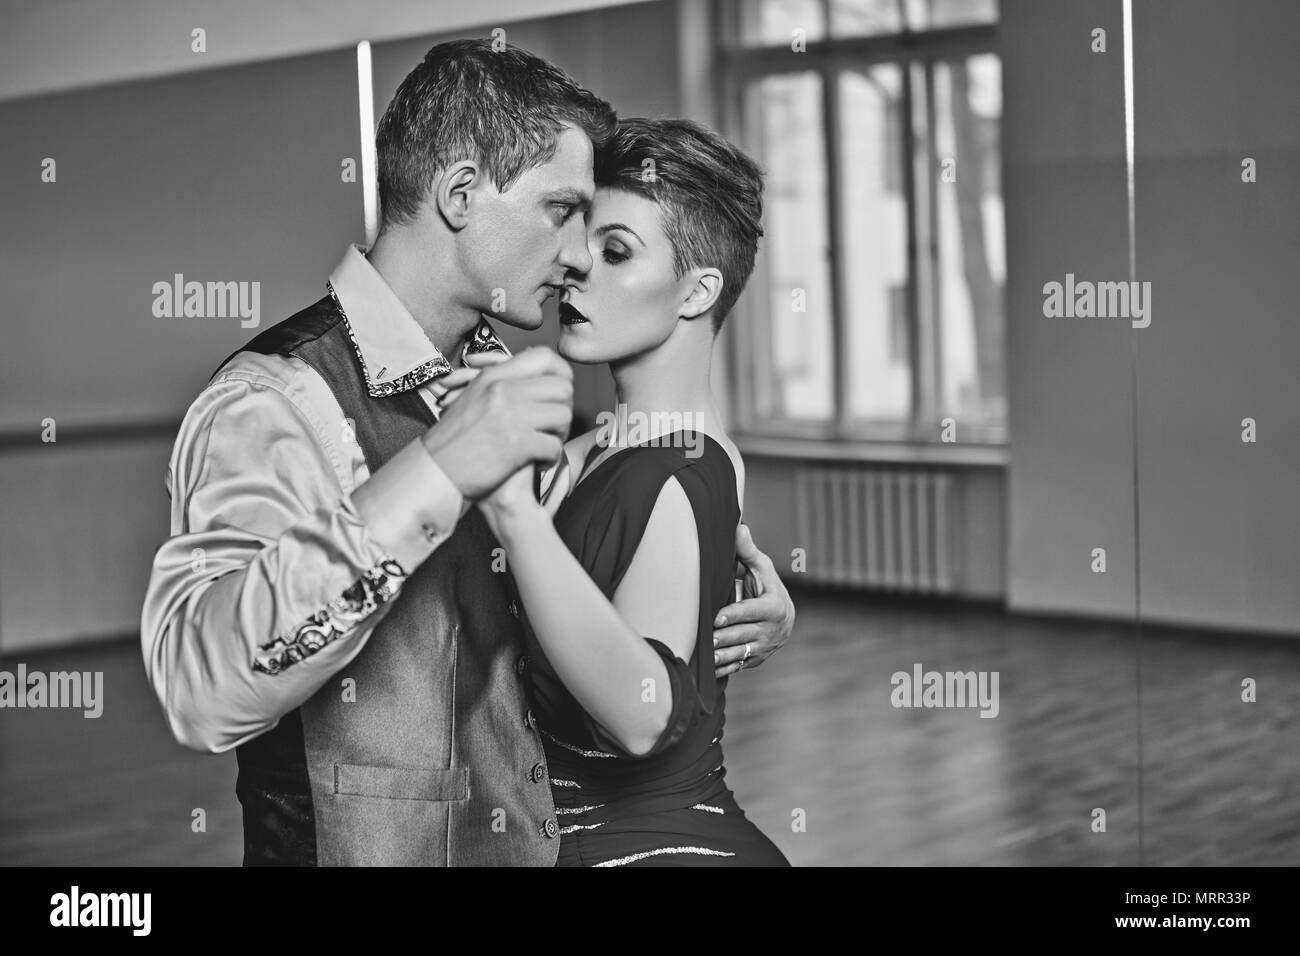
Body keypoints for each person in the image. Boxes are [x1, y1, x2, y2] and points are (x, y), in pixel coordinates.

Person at [139, 39, 794, 866]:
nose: (579, 253)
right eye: (562, 211)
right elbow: (203, 692)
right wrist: (439, 469)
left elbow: (585, 596)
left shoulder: (505, 383)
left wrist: (726, 625)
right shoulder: (274, 397)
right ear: (459, 194)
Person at [444, 118, 789, 865]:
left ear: (697, 292)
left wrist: (514, 516)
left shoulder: (681, 469)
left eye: (617, 252)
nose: (576, 271)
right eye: (579, 242)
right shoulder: (598, 453)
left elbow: (644, 719)